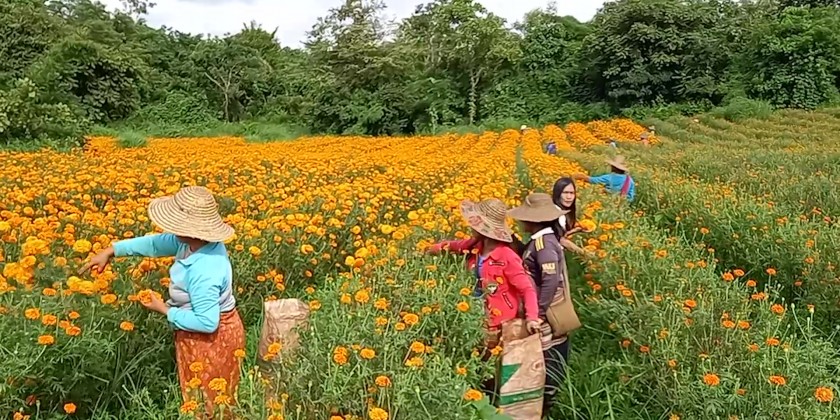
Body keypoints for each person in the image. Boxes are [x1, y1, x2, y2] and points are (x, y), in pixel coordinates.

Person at [80, 186, 244, 417]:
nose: (171, 228)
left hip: (212, 340)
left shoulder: (205, 270)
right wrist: (112, 250)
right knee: (202, 398)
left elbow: (208, 322)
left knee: (210, 405)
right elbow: (155, 244)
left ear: (191, 230)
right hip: (200, 331)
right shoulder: (192, 243)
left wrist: (164, 309)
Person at [425, 198, 541, 400]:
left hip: (499, 320)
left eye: (475, 222)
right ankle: (480, 395)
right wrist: (428, 249)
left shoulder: (507, 256)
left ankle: (492, 401)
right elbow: (453, 246)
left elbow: (527, 289)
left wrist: (532, 317)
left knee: (492, 364)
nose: (471, 226)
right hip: (475, 313)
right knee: (477, 359)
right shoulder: (476, 245)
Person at [508, 193, 572, 418]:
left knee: (548, 352)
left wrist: (540, 312)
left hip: (548, 311)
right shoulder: (542, 240)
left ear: (534, 220)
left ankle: (546, 401)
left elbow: (550, 280)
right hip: (546, 309)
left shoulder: (543, 244)